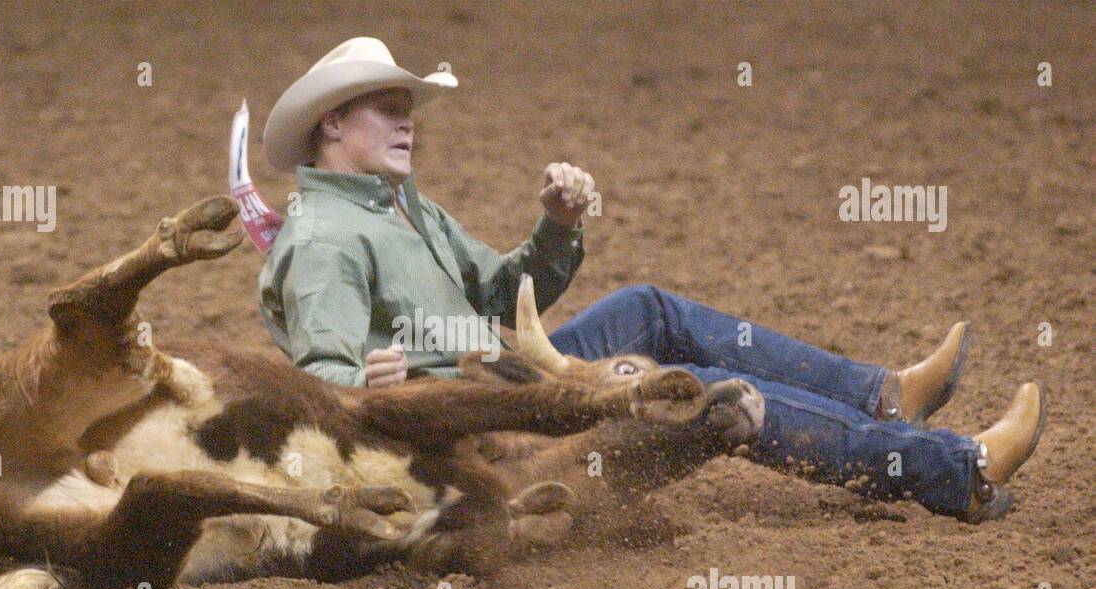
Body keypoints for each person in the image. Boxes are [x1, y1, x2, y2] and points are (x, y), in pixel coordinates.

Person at [257, 37, 1045, 524]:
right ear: (331, 125)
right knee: (690, 388)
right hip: (465, 428)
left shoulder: (402, 207)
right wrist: (357, 376)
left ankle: (883, 396)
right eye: (388, 108)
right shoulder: (326, 239)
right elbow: (320, 389)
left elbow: (506, 296)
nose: (408, 121)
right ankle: (955, 470)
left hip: (493, 379)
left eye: (409, 107)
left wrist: (555, 228)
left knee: (647, 310)